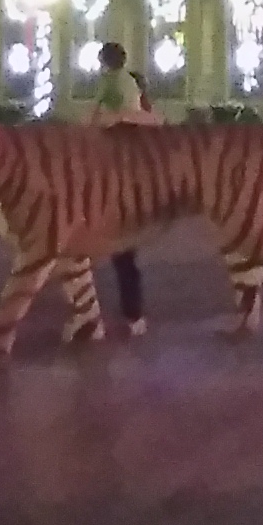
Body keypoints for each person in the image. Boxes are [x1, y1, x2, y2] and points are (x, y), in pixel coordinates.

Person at [85, 41, 159, 337]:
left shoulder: (115, 90)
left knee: (122, 254)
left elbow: (94, 118)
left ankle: (128, 314)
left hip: (119, 191)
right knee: (124, 255)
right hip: (126, 190)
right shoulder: (121, 88)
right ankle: (130, 314)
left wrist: (110, 120)